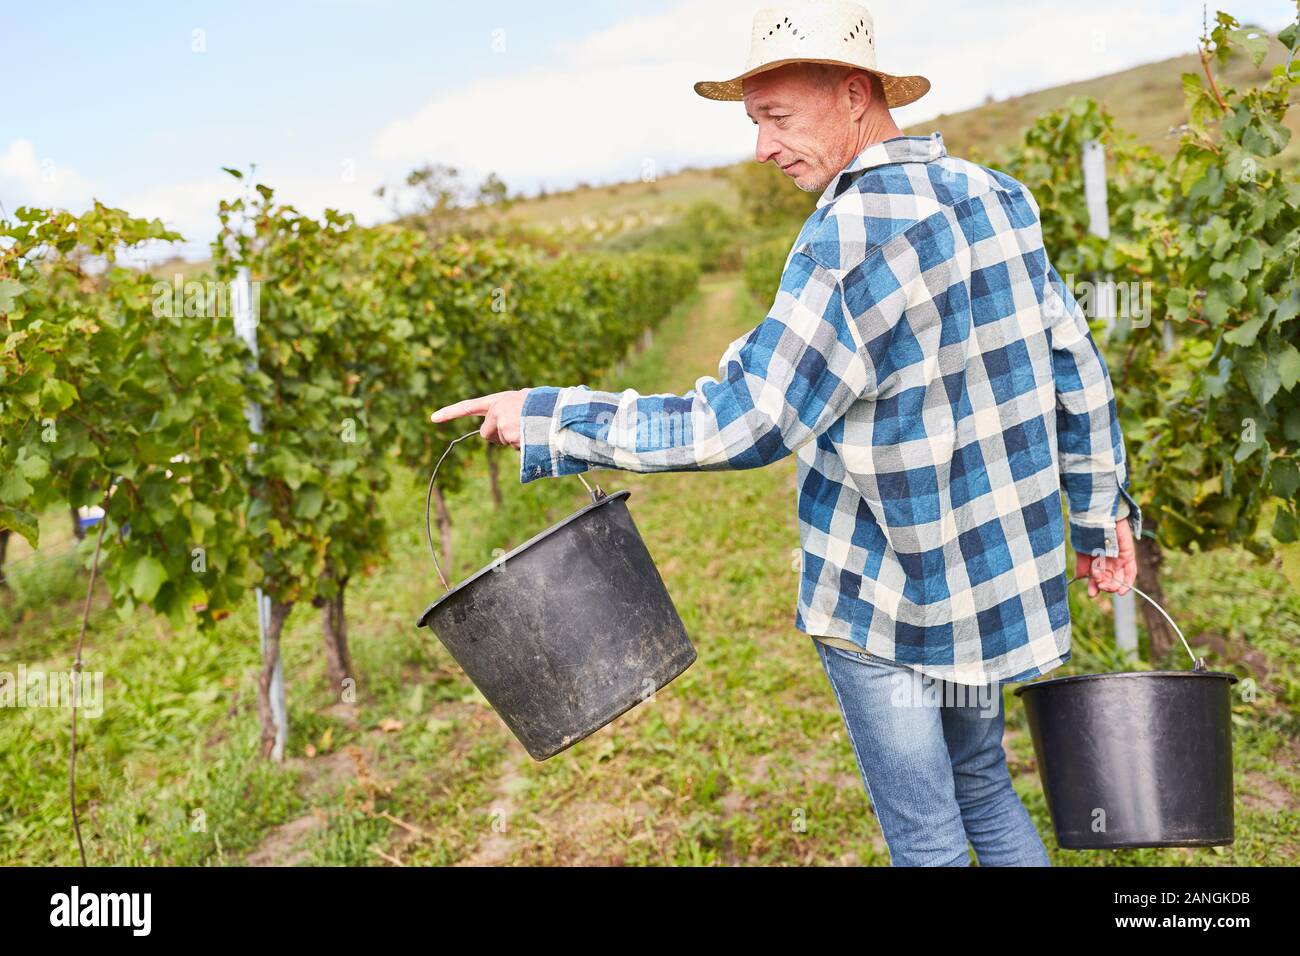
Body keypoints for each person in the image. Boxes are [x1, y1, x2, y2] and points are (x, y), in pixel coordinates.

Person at [432, 0, 1140, 866]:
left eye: (776, 118)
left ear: (854, 95)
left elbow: (747, 420)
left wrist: (552, 417)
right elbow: (1078, 368)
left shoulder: (846, 235)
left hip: (886, 597)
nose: (761, 147)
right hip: (987, 584)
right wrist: (1103, 522)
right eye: (753, 122)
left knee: (927, 838)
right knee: (985, 789)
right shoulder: (994, 197)